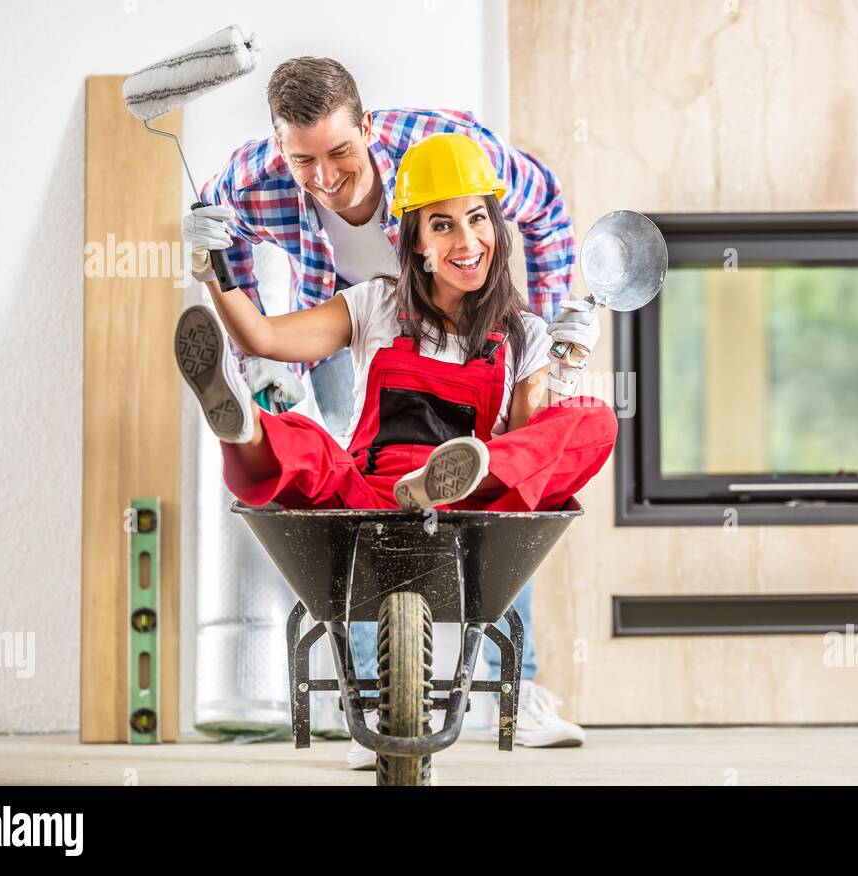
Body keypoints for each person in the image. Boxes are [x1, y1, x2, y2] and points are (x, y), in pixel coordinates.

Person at [181, 57, 585, 760]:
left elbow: (545, 203)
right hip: (360, 321)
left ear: (367, 128)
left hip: (475, 326)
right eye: (304, 161)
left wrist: (544, 336)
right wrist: (252, 352)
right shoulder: (251, 179)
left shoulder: (445, 152)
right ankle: (372, 700)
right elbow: (220, 242)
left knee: (499, 494)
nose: (328, 177)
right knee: (350, 485)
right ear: (281, 148)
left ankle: (519, 684)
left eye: (341, 152)